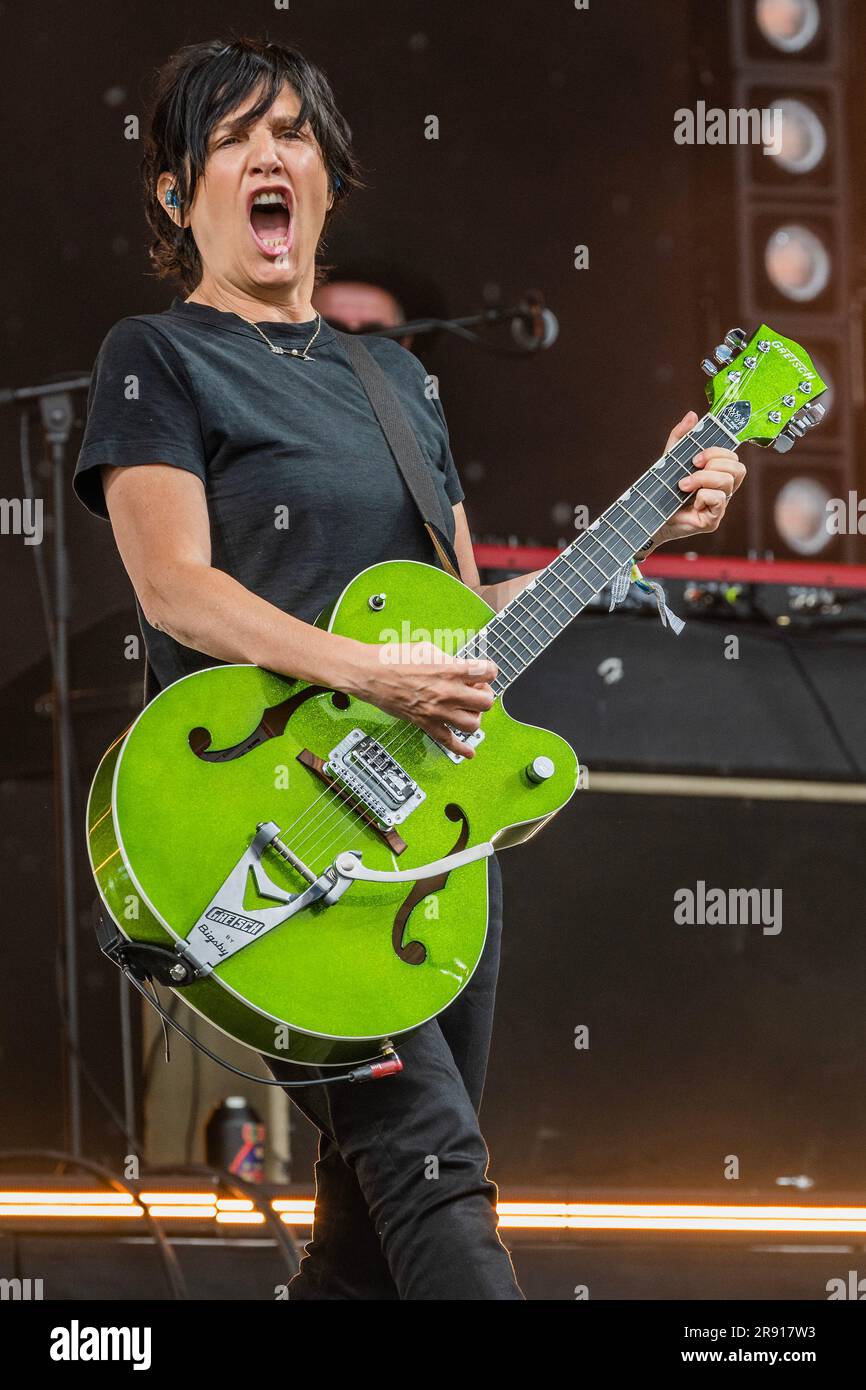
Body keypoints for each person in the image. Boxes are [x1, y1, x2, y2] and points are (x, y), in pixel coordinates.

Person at [72, 36, 745, 1300]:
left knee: (371, 1216)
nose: (269, 157)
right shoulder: (155, 356)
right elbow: (176, 590)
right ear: (175, 193)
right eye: (231, 139)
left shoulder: (396, 382)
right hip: (267, 827)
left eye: (293, 136)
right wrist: (367, 674)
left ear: (326, 181)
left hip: (424, 845)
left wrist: (647, 515)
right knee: (429, 1153)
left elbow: (458, 622)